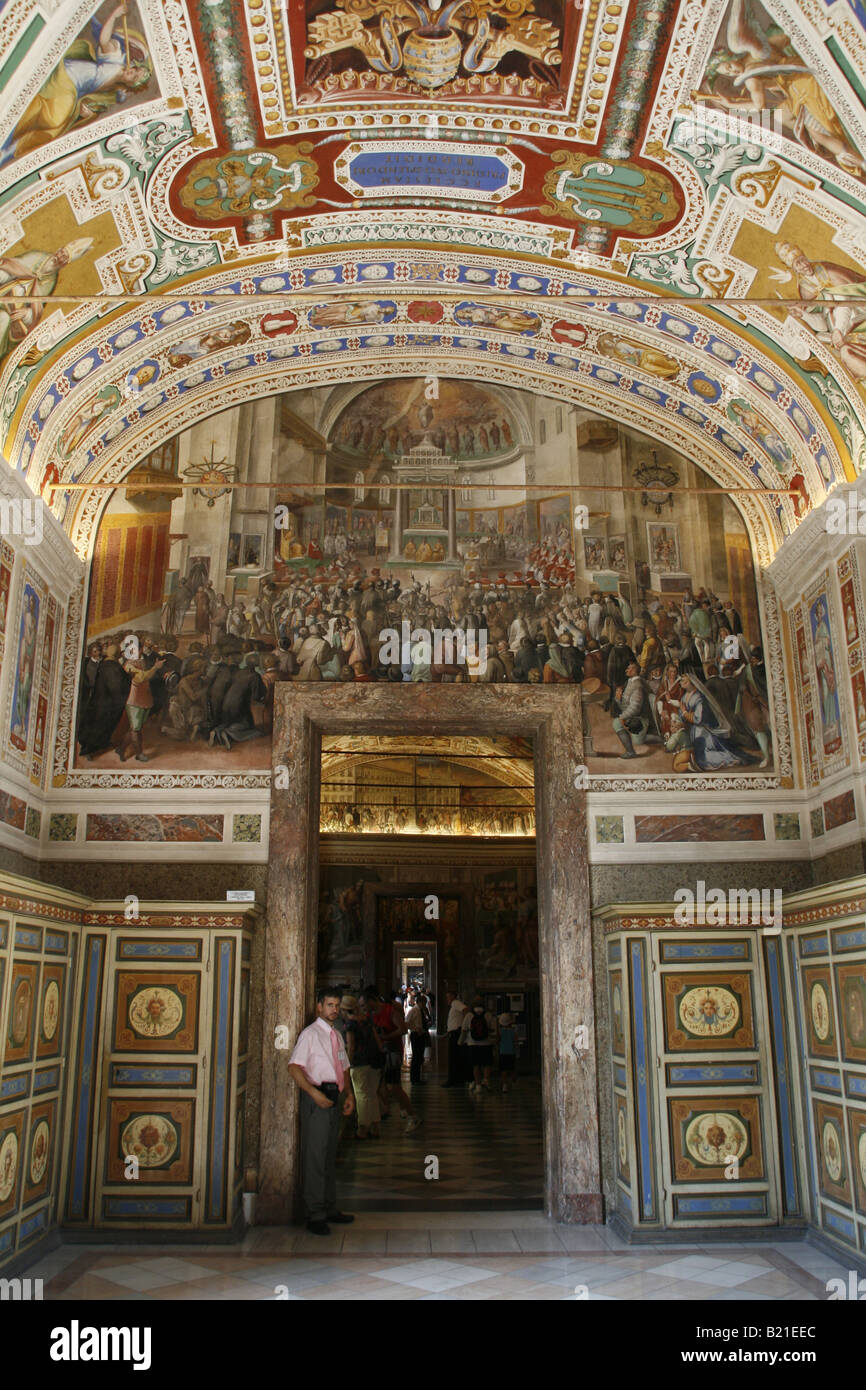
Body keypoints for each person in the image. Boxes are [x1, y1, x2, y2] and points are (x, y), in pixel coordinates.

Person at [287, 988, 356, 1236]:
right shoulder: (310, 1035)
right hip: (318, 1099)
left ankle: (329, 1207)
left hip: (335, 1097)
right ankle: (314, 1214)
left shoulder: (336, 1034)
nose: (334, 1010)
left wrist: (349, 1095)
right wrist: (313, 1093)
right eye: (329, 1005)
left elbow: (344, 1067)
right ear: (319, 1007)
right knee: (315, 1157)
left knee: (328, 1157)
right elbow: (294, 1067)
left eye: (336, 1005)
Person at [372, 991, 421, 1131]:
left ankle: (411, 1114)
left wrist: (386, 1036)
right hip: (384, 1051)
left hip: (392, 1052)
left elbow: (402, 1029)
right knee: (386, 1085)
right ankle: (390, 1109)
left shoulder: (390, 1011)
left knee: (393, 1086)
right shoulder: (376, 1013)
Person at [346, 998, 384, 1139]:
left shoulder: (350, 1025)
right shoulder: (367, 1020)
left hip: (359, 1063)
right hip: (374, 1062)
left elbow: (351, 1047)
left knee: (361, 1095)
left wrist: (347, 1065)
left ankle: (362, 1128)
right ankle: (375, 1127)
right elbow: (378, 1041)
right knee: (372, 1094)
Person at [461, 997, 498, 1093]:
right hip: (486, 1043)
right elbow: (494, 1030)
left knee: (475, 1065)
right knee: (487, 1064)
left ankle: (478, 1086)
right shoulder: (488, 1015)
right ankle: (486, 1080)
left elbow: (464, 1030)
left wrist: (460, 1041)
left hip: (472, 1043)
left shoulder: (469, 1015)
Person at [442, 991, 468, 1087]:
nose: (447, 999)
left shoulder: (456, 1003)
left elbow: (465, 1010)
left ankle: (453, 1080)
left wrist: (463, 1026)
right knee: (456, 1057)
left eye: (448, 997)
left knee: (453, 1057)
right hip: (454, 1033)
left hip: (457, 1033)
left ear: (453, 996)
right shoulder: (454, 1005)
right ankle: (457, 1079)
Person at [405, 991, 427, 1085]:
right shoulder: (414, 1010)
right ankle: (414, 1079)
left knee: (419, 1057)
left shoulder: (419, 1010)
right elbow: (407, 1021)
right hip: (416, 1035)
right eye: (423, 1003)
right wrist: (415, 1028)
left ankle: (417, 1078)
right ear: (419, 1002)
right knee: (416, 1057)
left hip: (420, 1034)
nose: (424, 1005)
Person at [498, 1012, 520, 1093]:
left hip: (503, 1052)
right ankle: (514, 1081)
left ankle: (505, 1085)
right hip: (512, 1052)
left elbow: (498, 1040)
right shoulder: (513, 1031)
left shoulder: (500, 1031)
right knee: (512, 1068)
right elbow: (516, 1041)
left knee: (503, 1069)